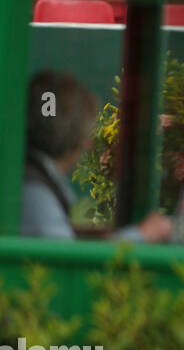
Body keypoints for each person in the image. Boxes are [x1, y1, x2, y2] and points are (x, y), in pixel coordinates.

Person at [22, 71, 172, 242]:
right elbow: (68, 263)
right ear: (74, 137)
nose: (89, 145)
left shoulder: (33, 180)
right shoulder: (35, 191)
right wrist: (143, 234)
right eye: (87, 134)